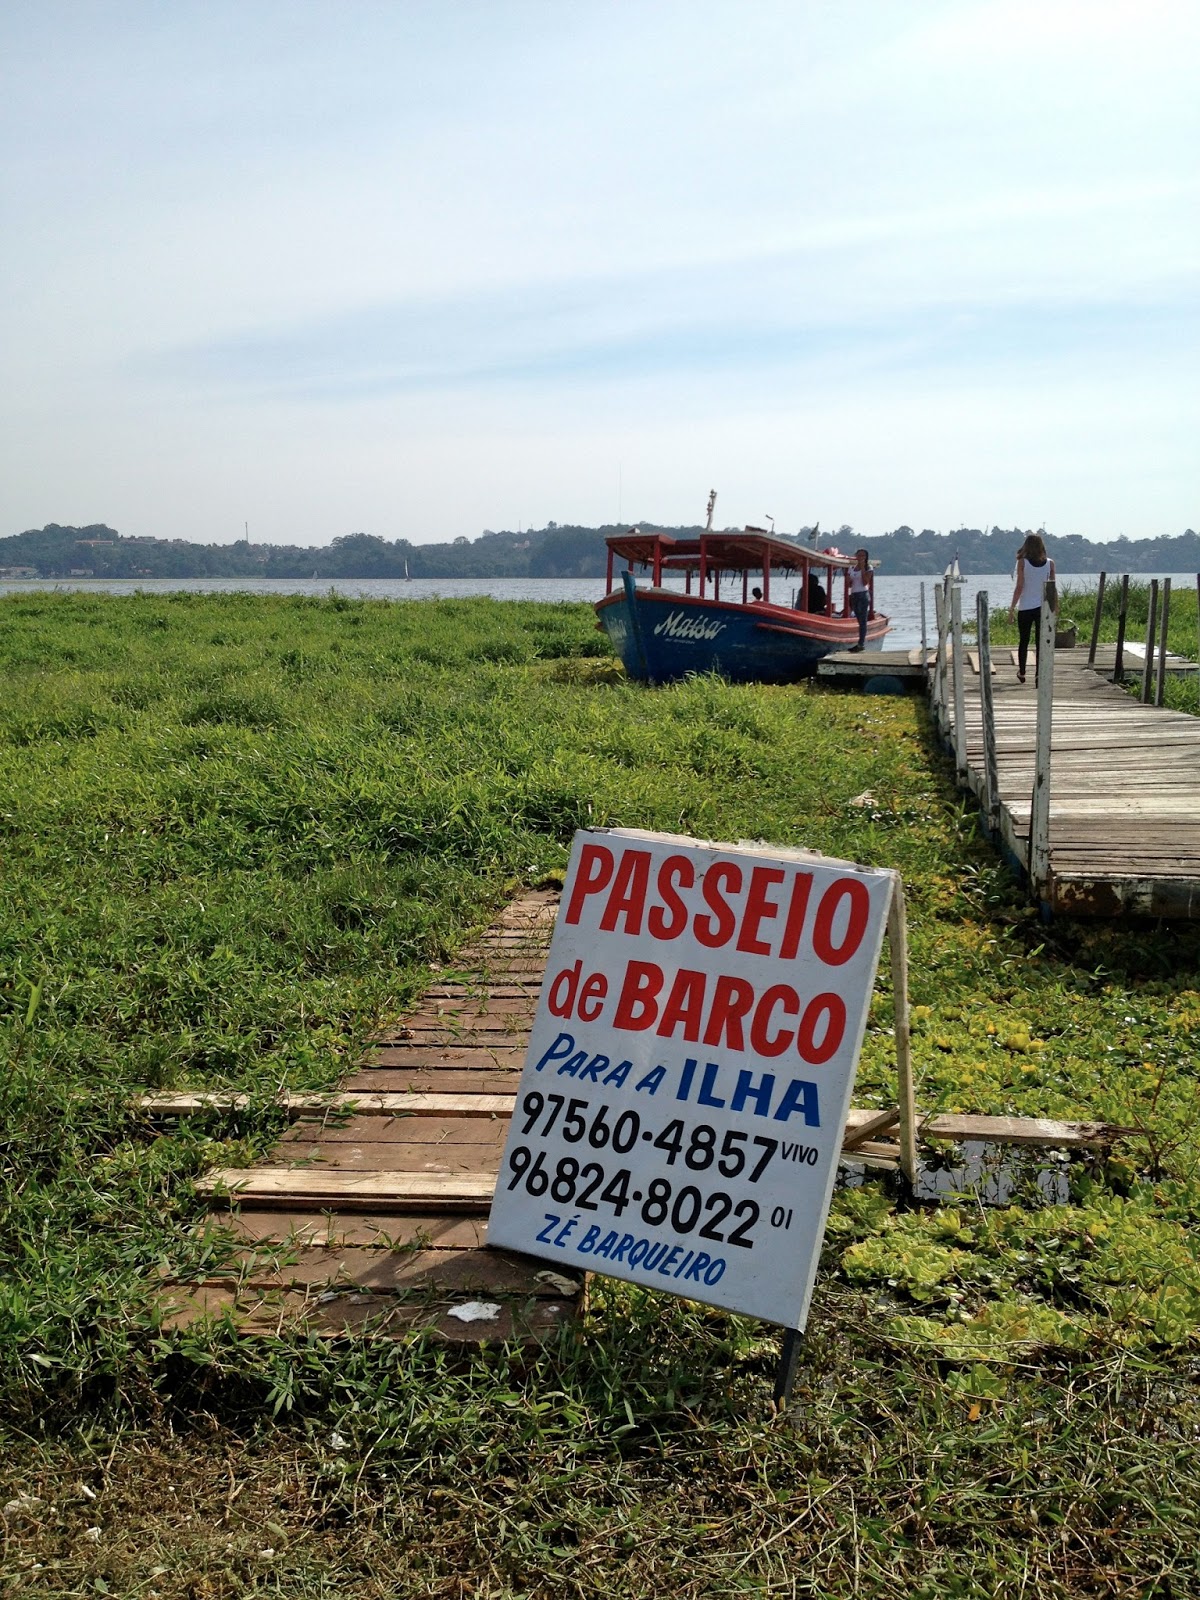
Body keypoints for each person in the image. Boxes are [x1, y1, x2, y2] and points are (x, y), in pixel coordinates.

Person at [1009, 531, 1056, 684]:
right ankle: (1038, 674)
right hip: (1043, 608)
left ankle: (1022, 672)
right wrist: (1055, 606)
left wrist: (1011, 608)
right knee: (1040, 642)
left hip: (1026, 607)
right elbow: (1052, 587)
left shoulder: (1022, 562)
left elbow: (1020, 586)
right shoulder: (1050, 563)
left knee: (1024, 640)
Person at [847, 548, 871, 650]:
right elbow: (849, 584)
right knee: (857, 618)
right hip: (854, 594)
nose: (861, 557)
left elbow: (865, 582)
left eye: (863, 556)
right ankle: (860, 642)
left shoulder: (868, 567)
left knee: (862, 620)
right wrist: (849, 579)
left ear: (866, 557)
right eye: (859, 555)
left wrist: (862, 569)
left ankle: (861, 643)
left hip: (863, 594)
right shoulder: (852, 567)